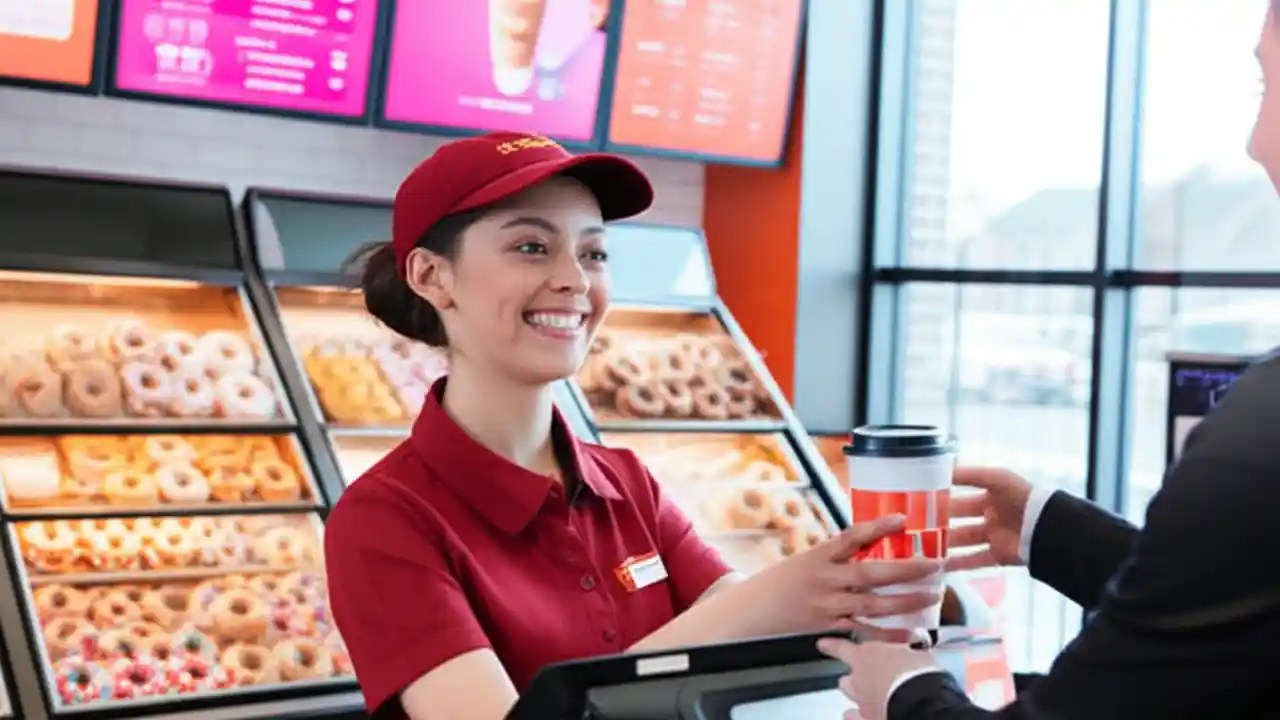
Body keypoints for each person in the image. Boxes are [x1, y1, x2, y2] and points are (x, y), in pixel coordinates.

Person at [321, 131, 945, 720]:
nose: (574, 280)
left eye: (593, 252)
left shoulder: (625, 482)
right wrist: (766, 601)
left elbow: (732, 636)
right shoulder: (384, 521)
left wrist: (864, 611)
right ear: (433, 276)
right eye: (532, 247)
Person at [817, 2, 1280, 718]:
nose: (1254, 143)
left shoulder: (1261, 434)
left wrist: (902, 691)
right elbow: (1230, 612)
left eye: (1265, 88)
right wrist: (1049, 530)